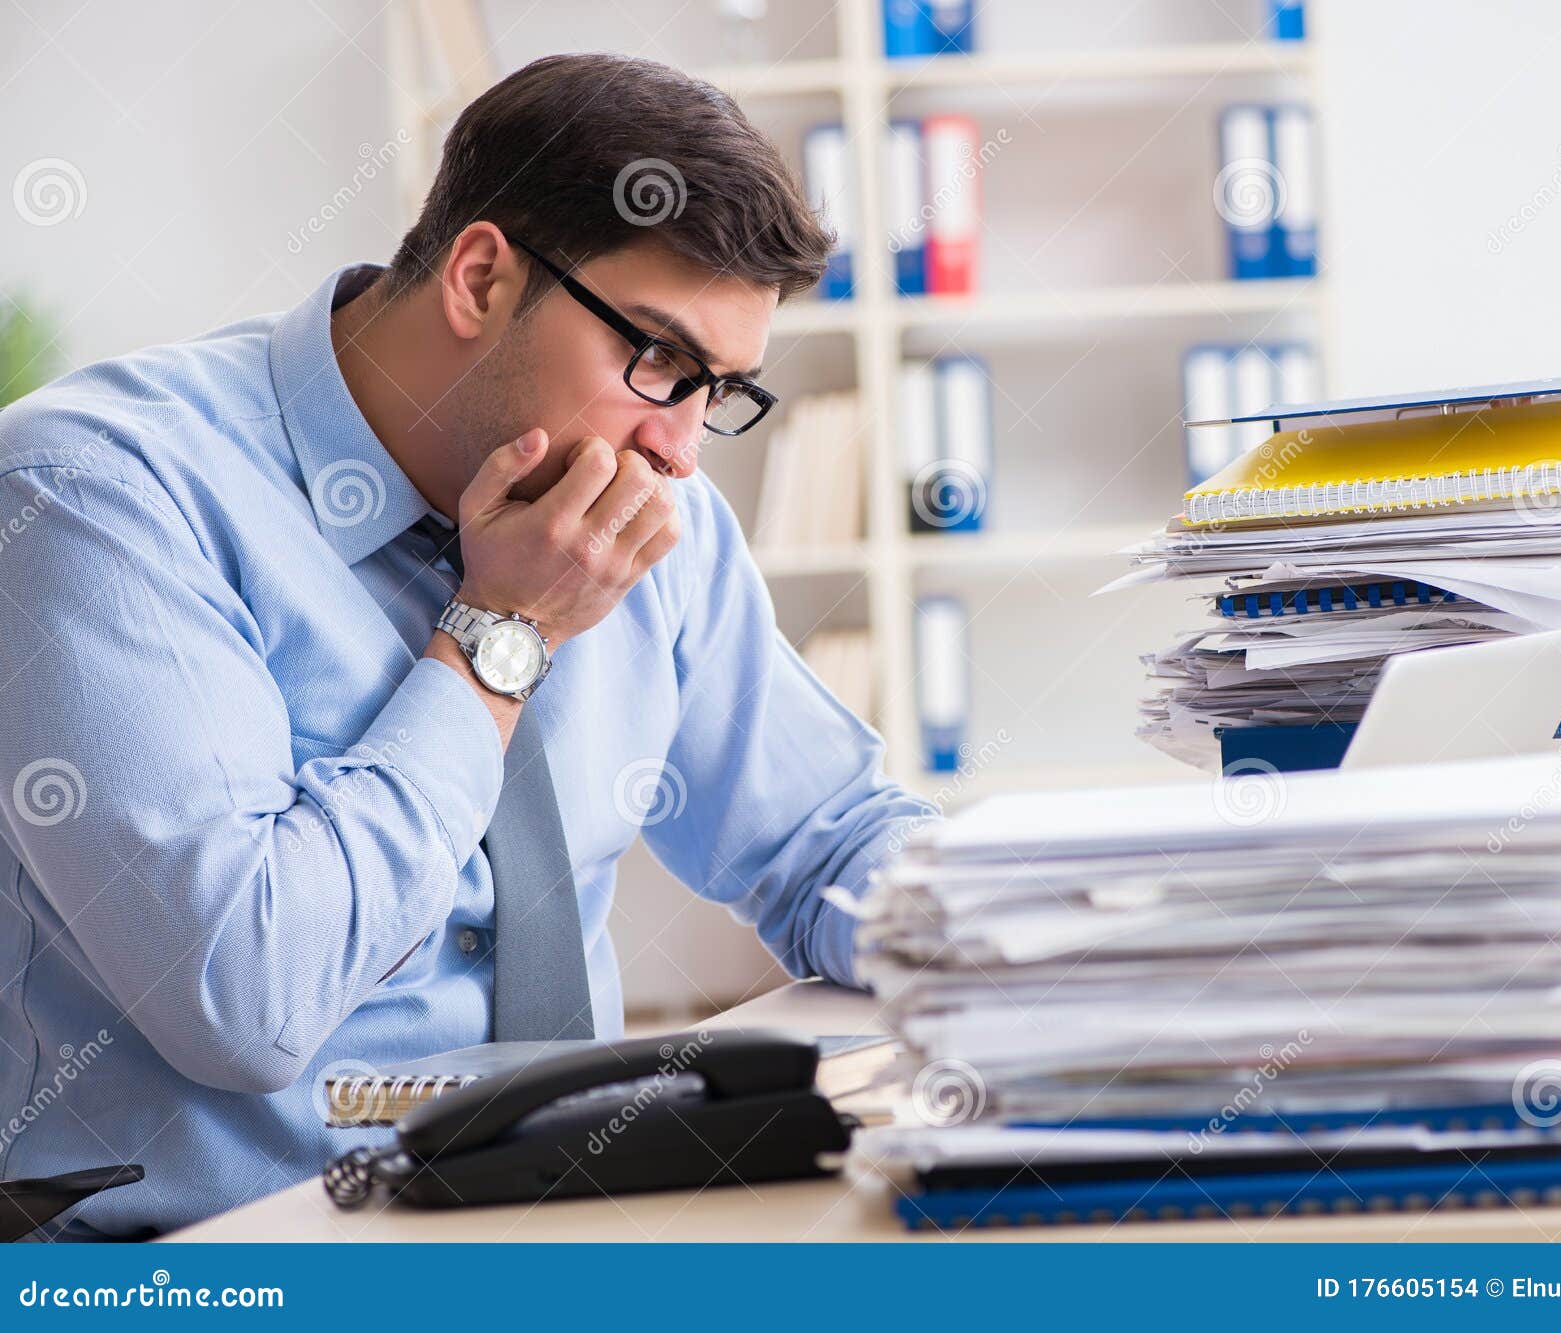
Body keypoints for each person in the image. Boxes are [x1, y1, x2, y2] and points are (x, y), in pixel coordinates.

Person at [0, 52, 934, 1238]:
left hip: (563, 1216)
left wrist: (1030, 950)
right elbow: (246, 998)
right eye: (655, 359)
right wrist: (504, 632)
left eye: (721, 390)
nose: (682, 451)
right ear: (482, 277)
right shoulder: (93, 497)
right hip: (192, 1259)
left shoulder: (643, 502)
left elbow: (825, 836)